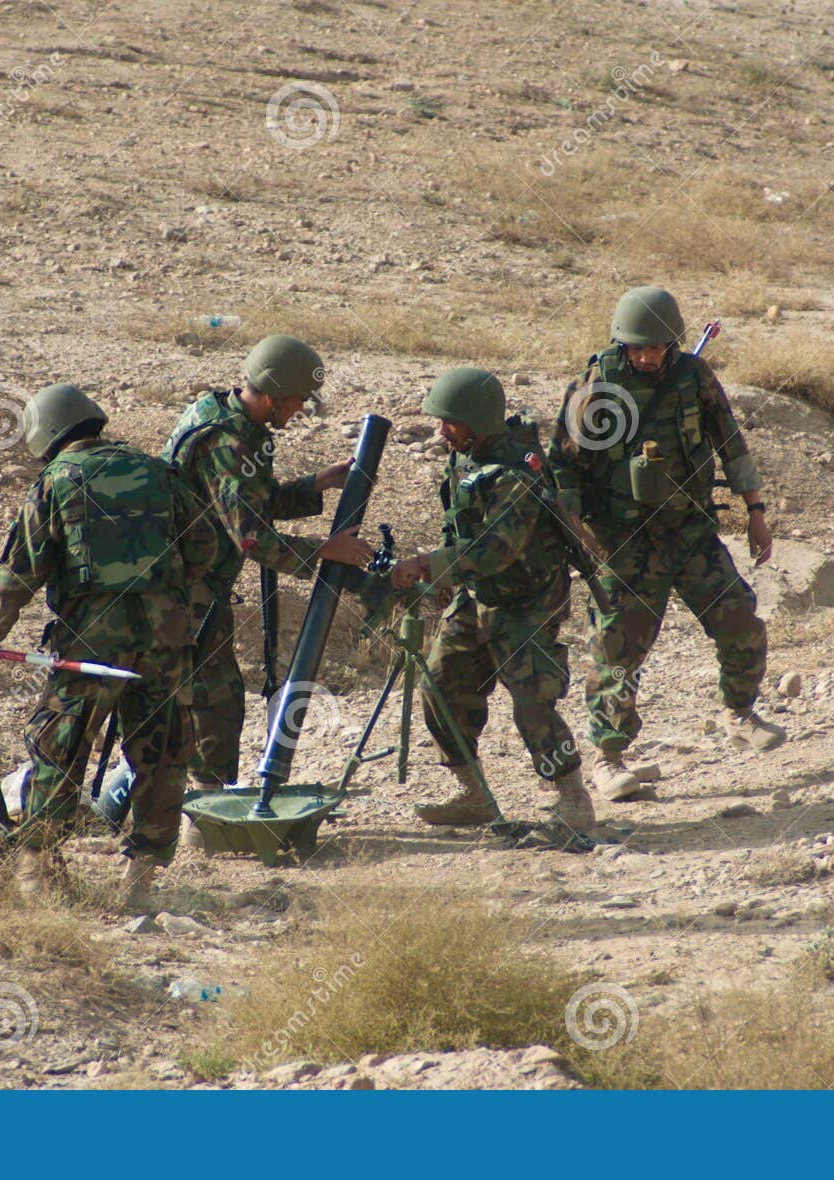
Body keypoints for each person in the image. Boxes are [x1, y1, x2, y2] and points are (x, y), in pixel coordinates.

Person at [0, 383, 216, 908]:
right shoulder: (159, 473)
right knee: (161, 755)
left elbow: (21, 569)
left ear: (46, 437)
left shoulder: (58, 481)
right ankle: (140, 883)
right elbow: (205, 547)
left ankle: (36, 872)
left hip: (91, 646)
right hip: (166, 642)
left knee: (58, 748)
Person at [547, 286, 785, 803]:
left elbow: (731, 443)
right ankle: (608, 759)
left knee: (739, 616)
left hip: (690, 531)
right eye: (637, 347)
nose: (646, 356)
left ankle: (740, 712)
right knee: (617, 652)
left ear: (673, 344)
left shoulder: (693, 377)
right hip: (622, 544)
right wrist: (578, 533)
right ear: (620, 343)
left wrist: (757, 512)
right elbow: (561, 466)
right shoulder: (595, 388)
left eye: (656, 347)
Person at [162, 335, 374, 790]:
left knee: (192, 695)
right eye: (299, 403)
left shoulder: (219, 412)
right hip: (185, 588)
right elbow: (251, 537)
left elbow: (249, 502)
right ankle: (203, 810)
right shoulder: (231, 442)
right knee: (215, 700)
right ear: (275, 397)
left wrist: (315, 484)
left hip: (187, 580)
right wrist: (322, 550)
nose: (300, 412)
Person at [391, 368, 594, 833]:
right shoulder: (466, 457)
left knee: (531, 700)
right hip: (477, 594)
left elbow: (494, 551)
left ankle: (573, 797)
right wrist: (441, 579)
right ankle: (473, 794)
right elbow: (458, 526)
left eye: (451, 422)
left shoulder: (515, 475)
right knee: (440, 685)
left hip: (527, 601)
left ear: (478, 422)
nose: (441, 430)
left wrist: (426, 564)